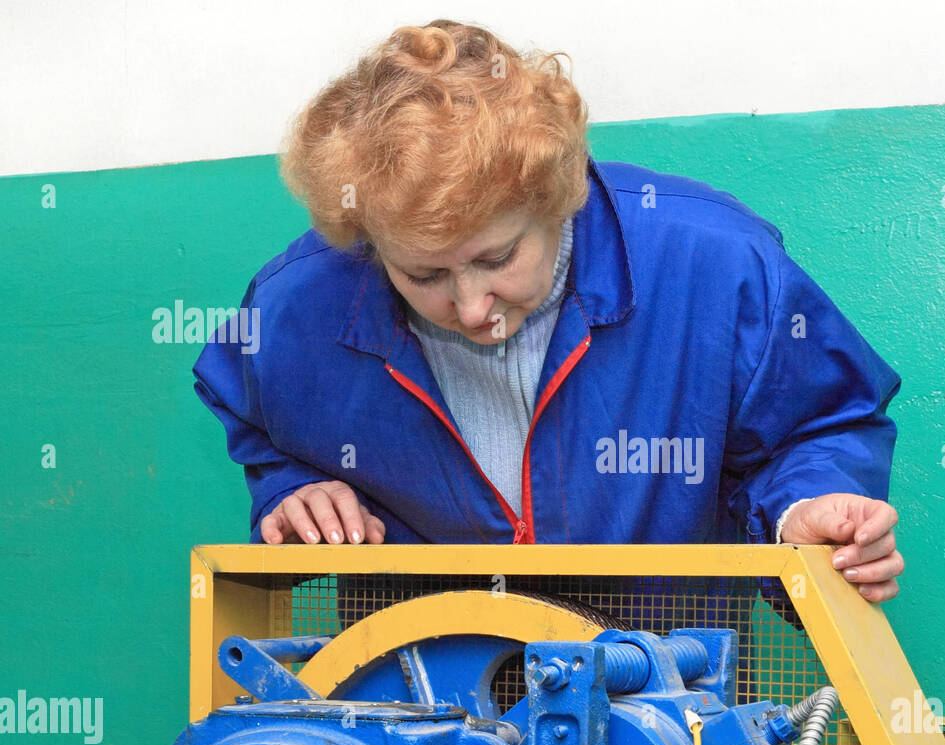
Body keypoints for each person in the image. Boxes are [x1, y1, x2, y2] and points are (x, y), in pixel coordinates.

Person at [193, 19, 906, 603]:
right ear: (368, 245)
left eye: (497, 259)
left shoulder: (718, 265)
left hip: (666, 734)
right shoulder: (296, 307)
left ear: (558, 194)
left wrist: (803, 511)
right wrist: (293, 489)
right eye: (423, 273)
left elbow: (819, 424)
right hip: (408, 742)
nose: (472, 307)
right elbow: (258, 424)